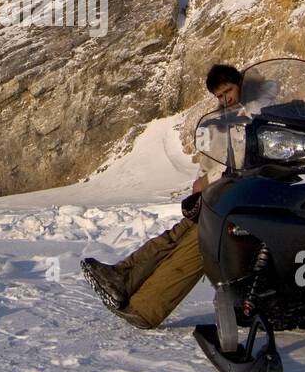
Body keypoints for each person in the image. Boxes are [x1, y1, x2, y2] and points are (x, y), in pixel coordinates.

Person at [81, 63, 248, 329]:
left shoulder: (255, 113)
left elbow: (242, 162)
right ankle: (122, 277)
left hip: (240, 198)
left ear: (240, 84)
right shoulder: (222, 119)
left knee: (201, 241)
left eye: (228, 91)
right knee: (180, 232)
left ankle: (146, 306)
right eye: (219, 96)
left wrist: (209, 181)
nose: (225, 99)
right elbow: (214, 161)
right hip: (223, 195)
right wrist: (204, 180)